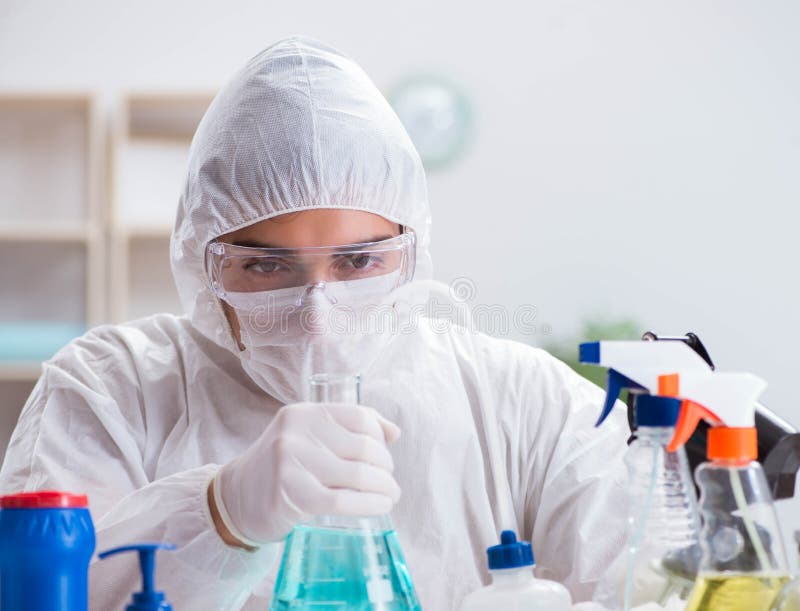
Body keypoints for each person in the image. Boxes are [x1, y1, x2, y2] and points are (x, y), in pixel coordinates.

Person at [0, 36, 629, 609]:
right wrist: (218, 513)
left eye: (358, 261)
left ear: (409, 249)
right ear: (203, 262)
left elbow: (640, 587)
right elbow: (39, 594)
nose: (318, 319)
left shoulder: (531, 405)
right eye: (266, 266)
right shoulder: (110, 389)